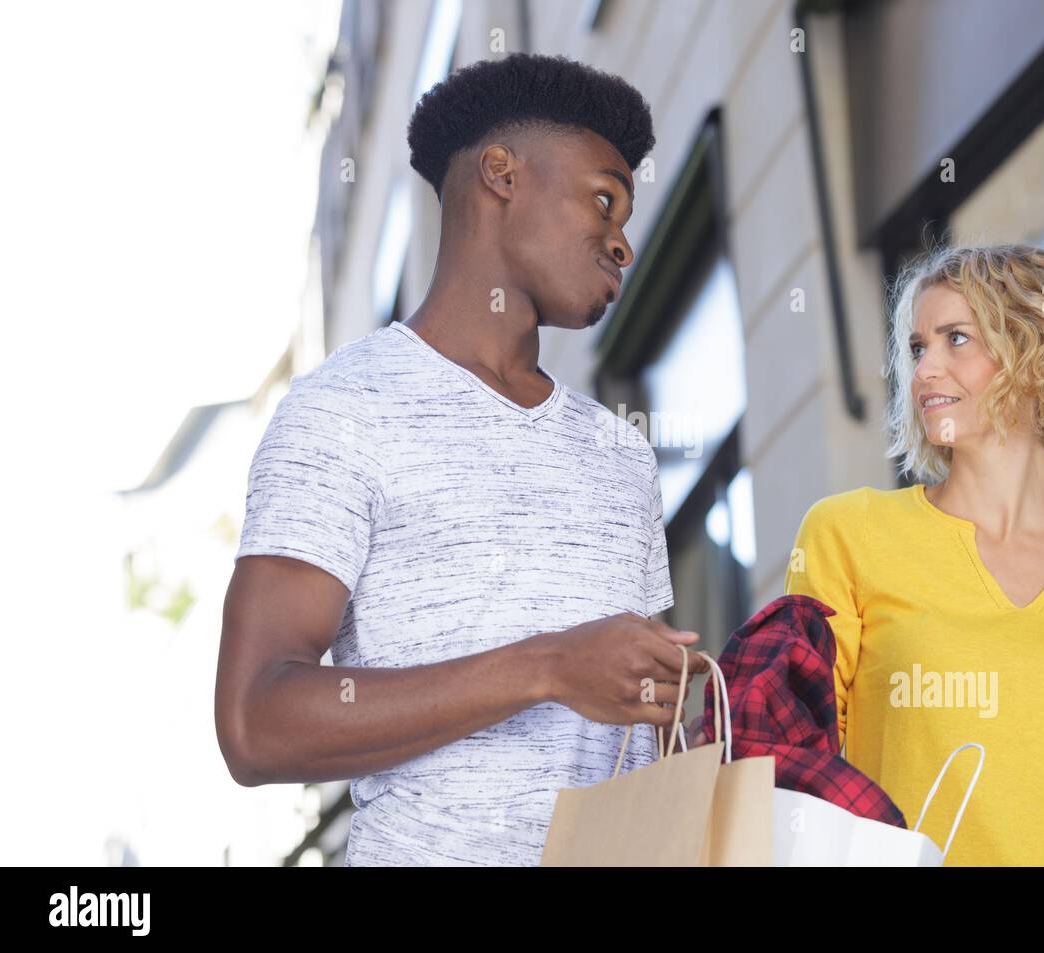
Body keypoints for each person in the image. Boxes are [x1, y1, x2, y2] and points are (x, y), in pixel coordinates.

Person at [215, 52, 709, 866]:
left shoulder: (620, 454)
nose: (622, 243)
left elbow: (639, 731)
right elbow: (254, 723)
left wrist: (708, 729)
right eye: (604, 201)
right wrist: (547, 667)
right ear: (501, 175)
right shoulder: (342, 410)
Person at [785, 243, 1044, 866]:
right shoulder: (849, 532)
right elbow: (798, 757)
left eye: (956, 339)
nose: (925, 369)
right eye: (917, 347)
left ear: (1036, 356)